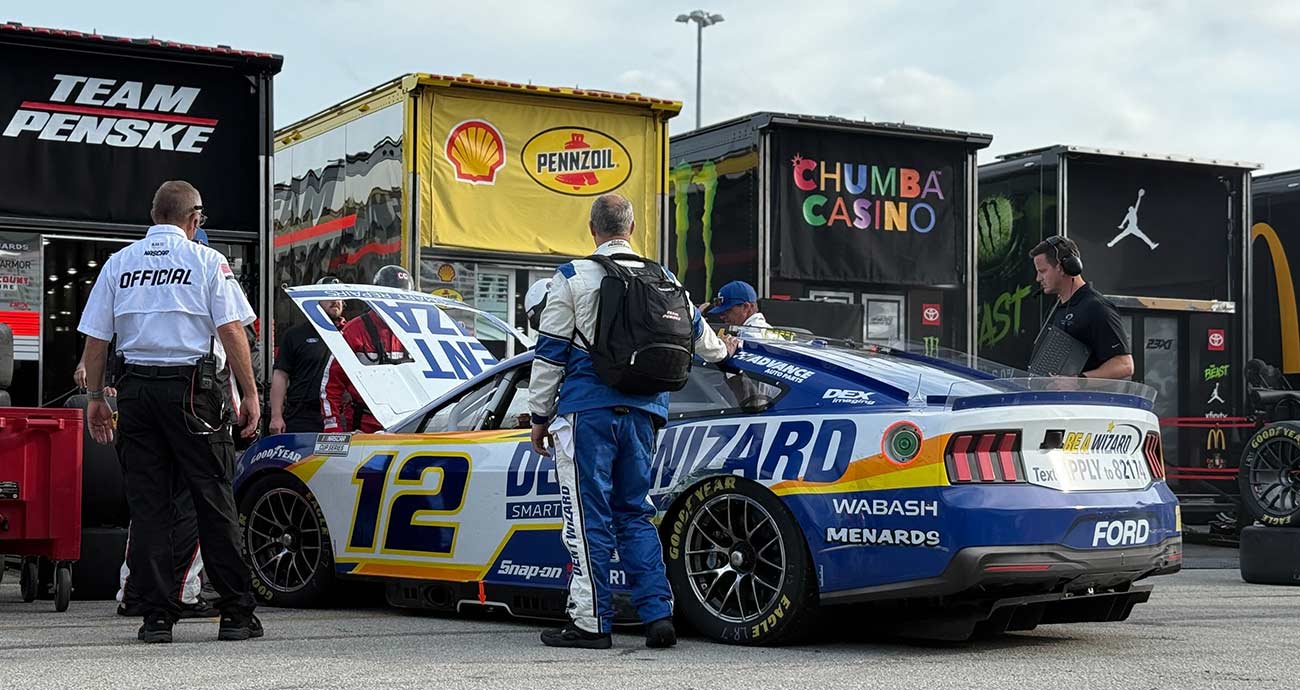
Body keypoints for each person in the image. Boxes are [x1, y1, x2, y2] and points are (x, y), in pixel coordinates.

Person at [528, 193, 738, 650]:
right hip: (646, 413)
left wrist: (539, 416)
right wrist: (729, 352)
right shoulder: (664, 277)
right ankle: (658, 615)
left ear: (592, 230)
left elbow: (550, 355)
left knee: (588, 518)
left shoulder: (571, 277)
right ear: (632, 229)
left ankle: (591, 622)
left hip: (589, 413)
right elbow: (705, 344)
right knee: (636, 513)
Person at [77, 180, 262, 644]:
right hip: (194, 393)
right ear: (194, 219)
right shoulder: (207, 261)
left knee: (149, 507)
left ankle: (156, 616)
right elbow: (233, 330)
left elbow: (97, 341)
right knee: (214, 500)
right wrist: (250, 393)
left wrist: (97, 397)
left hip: (136, 393)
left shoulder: (119, 264)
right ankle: (237, 613)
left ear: (154, 214)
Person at [320, 264, 413, 433]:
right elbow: (330, 386)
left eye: (402, 297)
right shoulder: (354, 331)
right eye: (391, 296)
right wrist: (332, 428)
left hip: (408, 425)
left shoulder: (415, 332)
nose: (397, 302)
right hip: (362, 427)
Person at [1029, 235, 1134, 380]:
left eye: (1042, 271)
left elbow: (1124, 365)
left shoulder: (1096, 308)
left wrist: (1078, 381)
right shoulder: (1057, 307)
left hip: (1083, 401)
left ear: (1062, 267)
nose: (1038, 278)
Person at [271, 278, 347, 434]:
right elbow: (280, 375)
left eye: (338, 295)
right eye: (328, 295)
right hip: (302, 416)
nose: (335, 300)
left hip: (340, 415)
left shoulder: (351, 333)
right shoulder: (295, 335)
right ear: (314, 301)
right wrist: (276, 416)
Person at [701, 280, 785, 340]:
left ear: (746, 307)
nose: (722, 317)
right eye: (721, 312)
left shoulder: (752, 335)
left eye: (727, 310)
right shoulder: (760, 330)